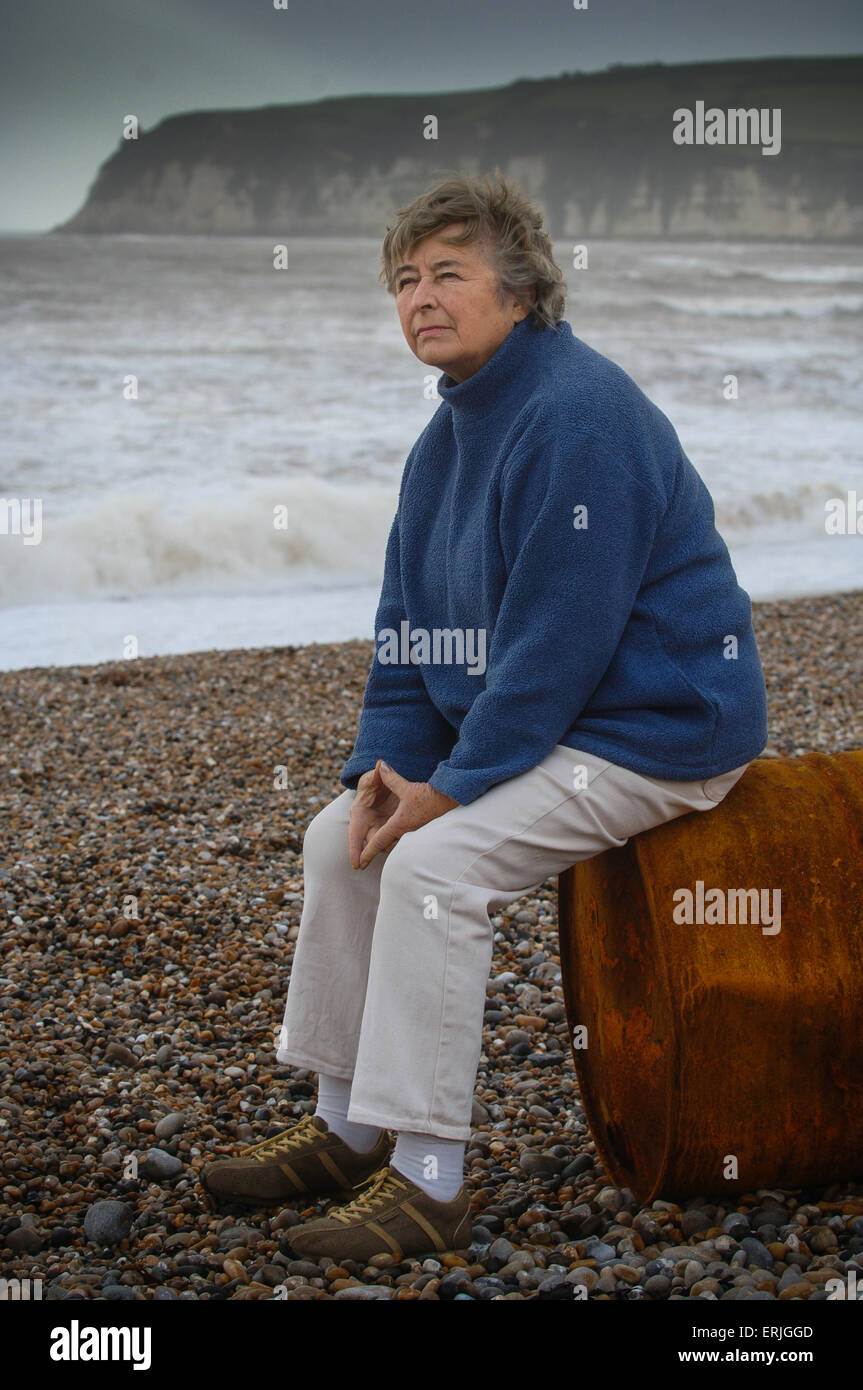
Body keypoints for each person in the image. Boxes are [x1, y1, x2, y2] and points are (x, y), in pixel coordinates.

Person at [200, 171, 768, 1264]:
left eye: (448, 273)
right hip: (549, 722)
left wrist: (449, 790)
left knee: (433, 867)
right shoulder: (443, 439)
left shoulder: (576, 412)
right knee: (341, 838)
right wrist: (385, 770)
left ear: (519, 293)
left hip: (654, 724)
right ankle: (345, 1118)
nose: (419, 296)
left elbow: (561, 642)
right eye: (403, 279)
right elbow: (406, 631)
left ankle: (427, 1176)